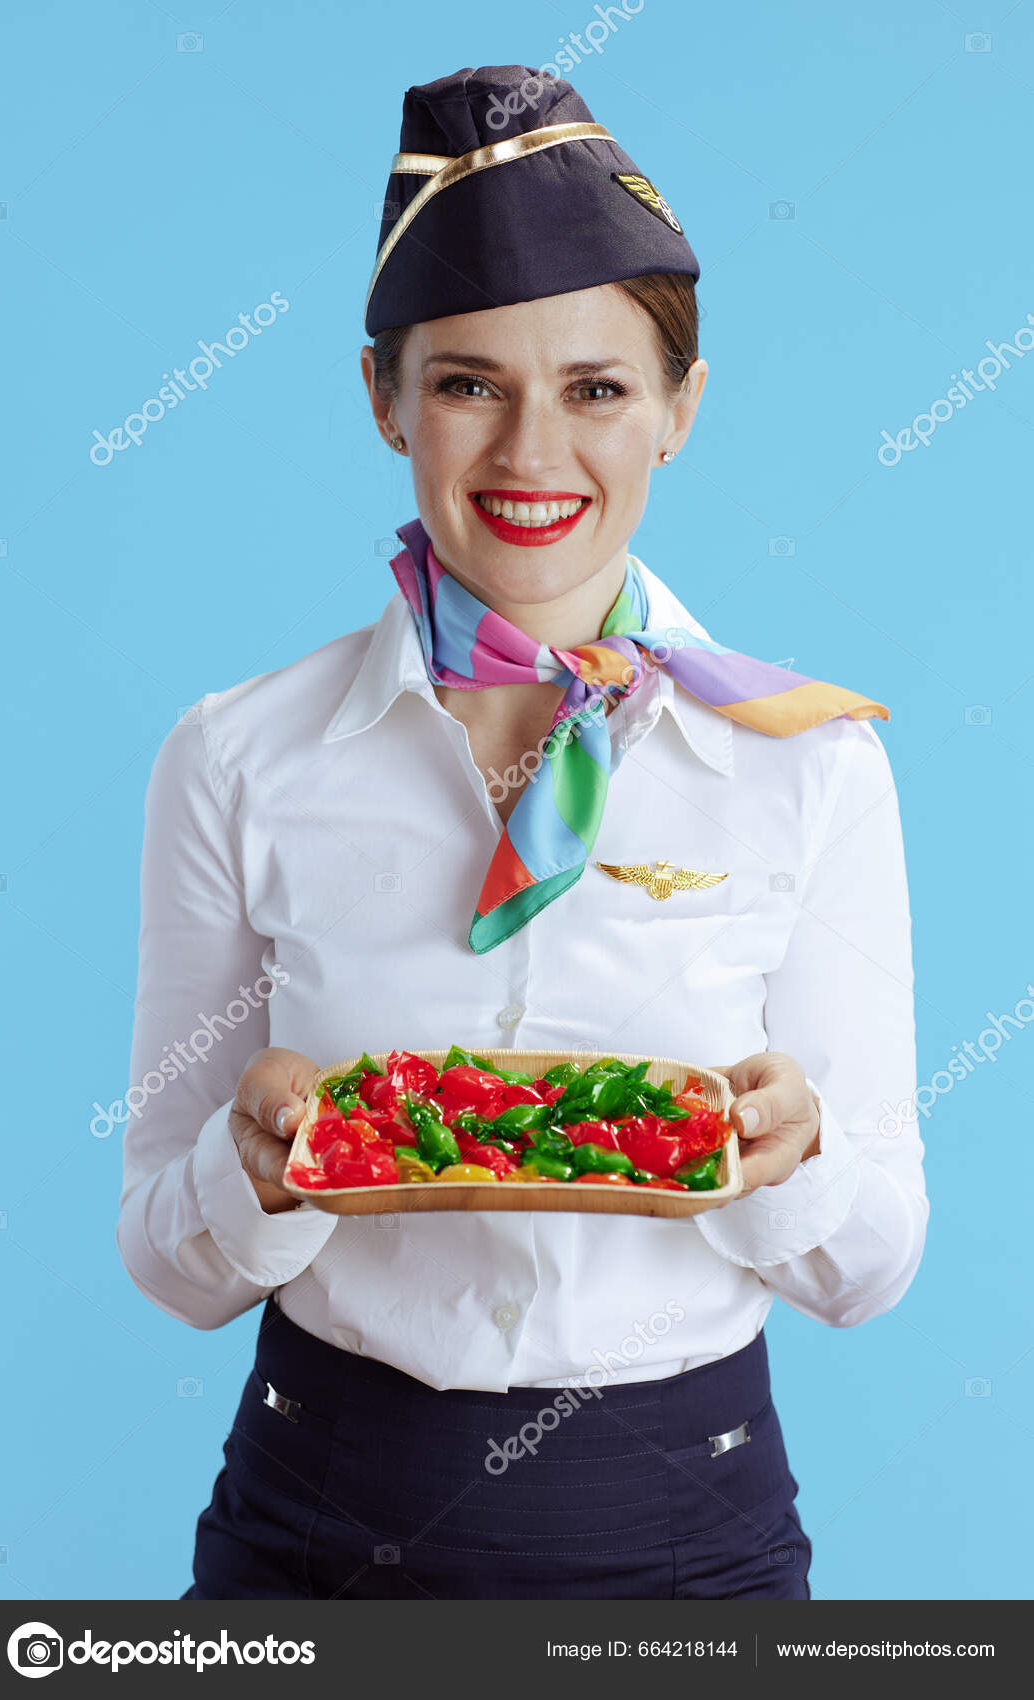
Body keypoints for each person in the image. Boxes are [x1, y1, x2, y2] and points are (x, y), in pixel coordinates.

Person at [117, 64, 927, 1602]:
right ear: (384, 397)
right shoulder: (234, 755)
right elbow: (164, 1257)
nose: (530, 453)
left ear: (682, 410)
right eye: (469, 382)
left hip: (687, 1532)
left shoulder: (807, 763)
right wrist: (261, 1171)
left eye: (598, 388)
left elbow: (871, 1263)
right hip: (315, 1519)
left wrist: (789, 1154)